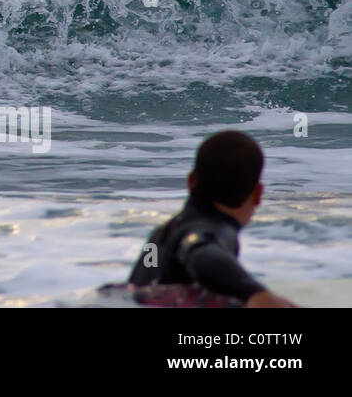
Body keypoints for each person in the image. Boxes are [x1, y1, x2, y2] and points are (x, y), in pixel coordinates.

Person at [127, 130, 296, 307]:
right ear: (257, 194)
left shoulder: (159, 236)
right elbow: (202, 252)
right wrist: (256, 293)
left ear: (191, 181)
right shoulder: (210, 230)